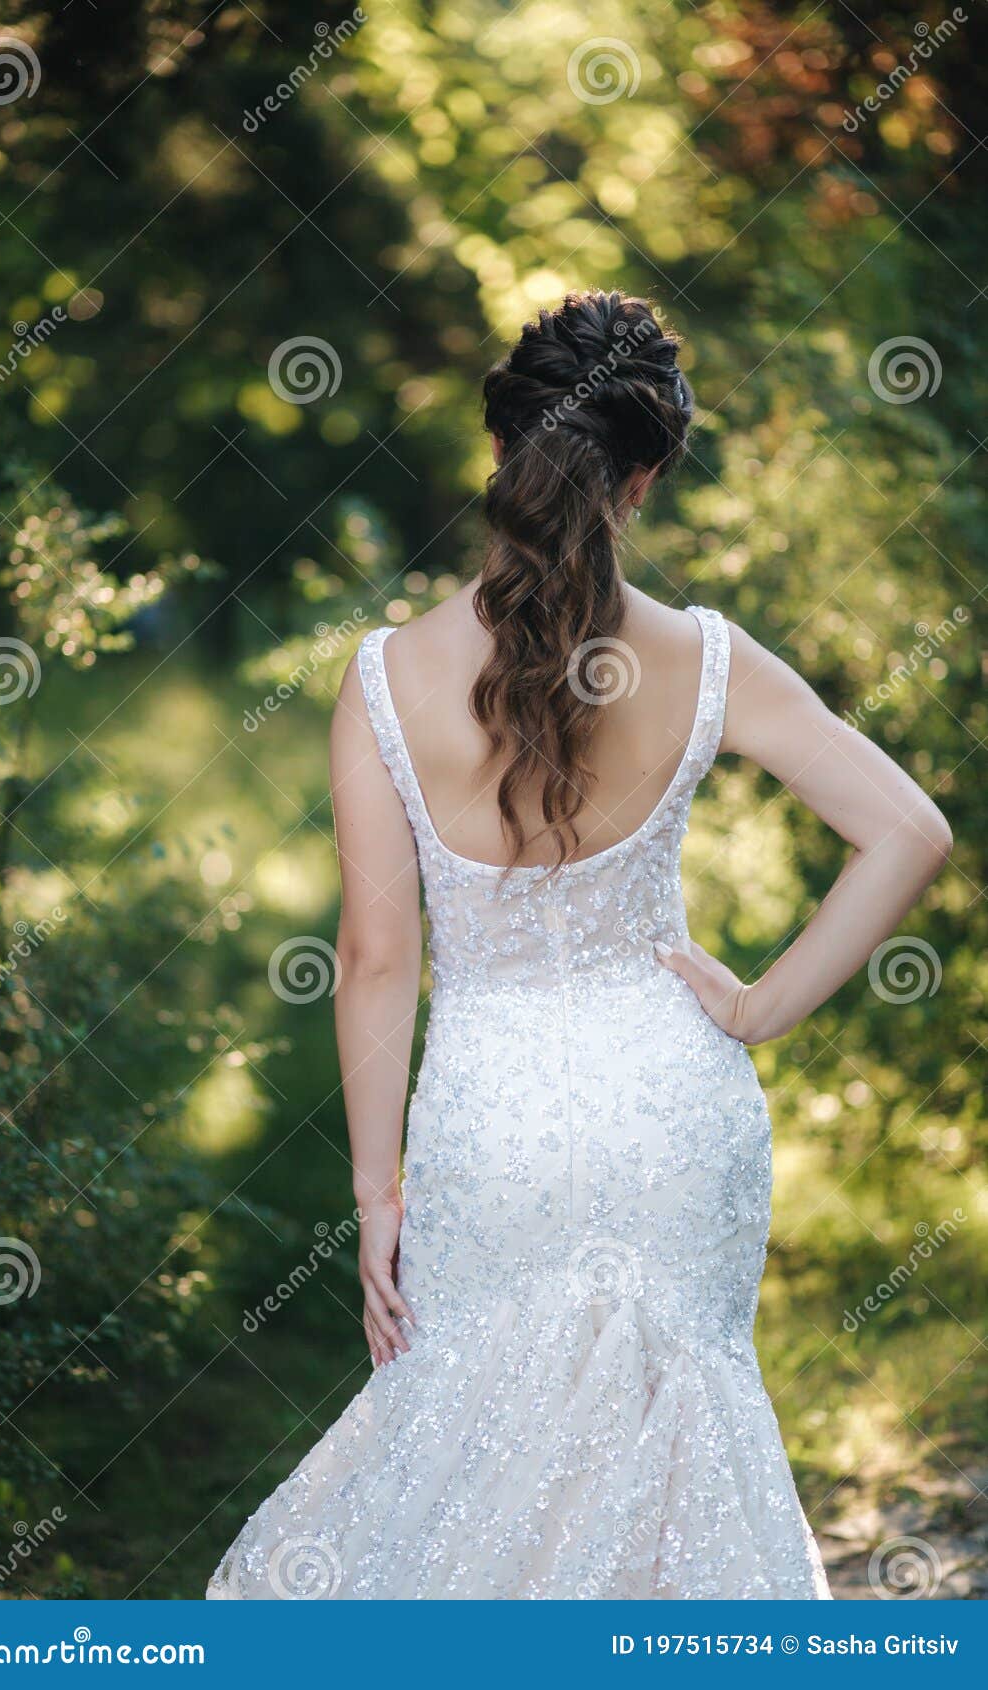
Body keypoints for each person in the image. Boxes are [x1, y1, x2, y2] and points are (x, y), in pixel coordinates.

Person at [208, 290, 951, 1600]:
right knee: (677, 1458)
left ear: (500, 452)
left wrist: (377, 1194)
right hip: (672, 1109)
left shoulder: (386, 678)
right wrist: (763, 1006)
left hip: (490, 1128)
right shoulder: (707, 658)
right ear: (645, 476)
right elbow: (909, 831)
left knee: (484, 1449)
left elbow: (380, 958)